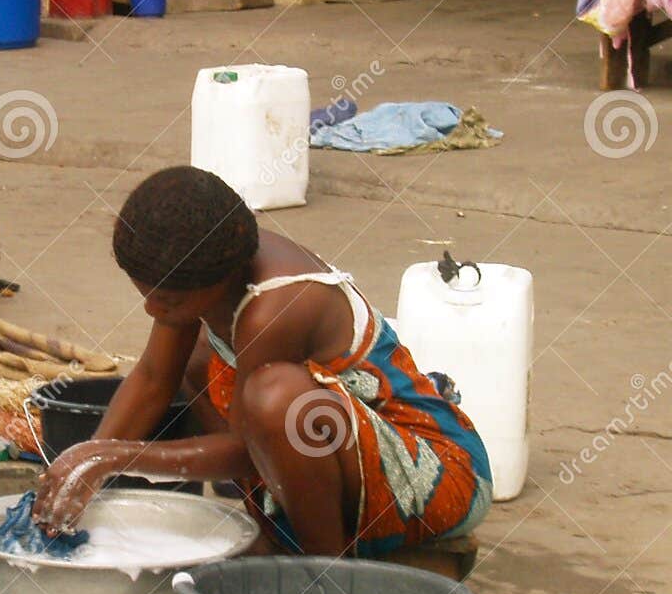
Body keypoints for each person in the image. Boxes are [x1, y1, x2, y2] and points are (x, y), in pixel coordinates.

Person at [33, 166, 492, 559]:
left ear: (216, 277)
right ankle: (279, 532)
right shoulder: (202, 263)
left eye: (166, 299)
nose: (153, 310)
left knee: (274, 397)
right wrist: (81, 467)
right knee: (198, 358)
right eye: (147, 295)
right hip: (337, 467)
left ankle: (326, 578)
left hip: (438, 481)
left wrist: (117, 458)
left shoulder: (276, 308)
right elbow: (154, 378)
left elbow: (249, 446)